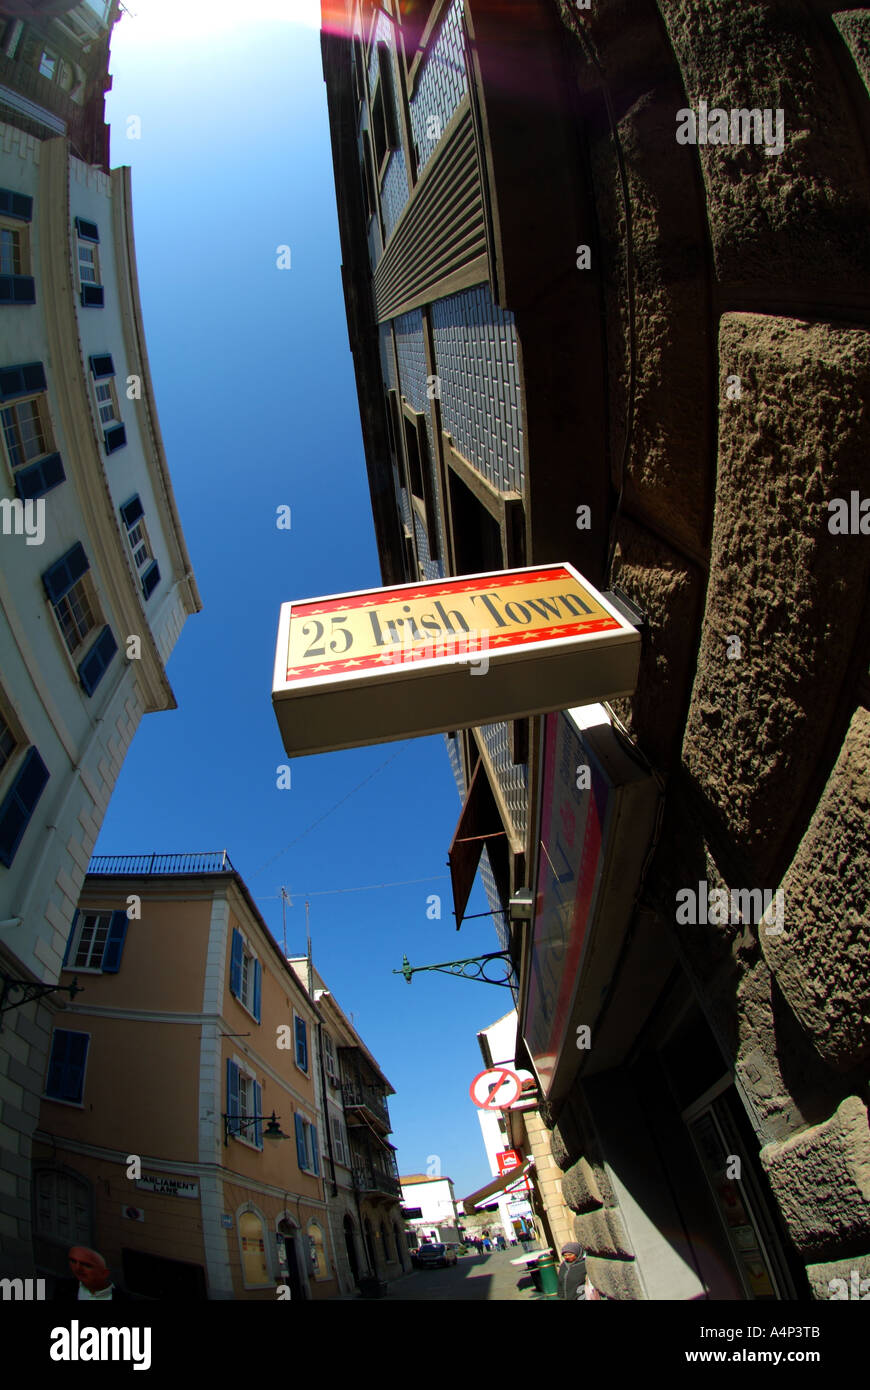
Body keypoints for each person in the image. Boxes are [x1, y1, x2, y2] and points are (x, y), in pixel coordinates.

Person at [53, 1246, 135, 1301]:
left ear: (104, 1273)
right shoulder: (64, 1287)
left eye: (87, 1265)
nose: (78, 1268)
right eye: (74, 1262)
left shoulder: (123, 1297)